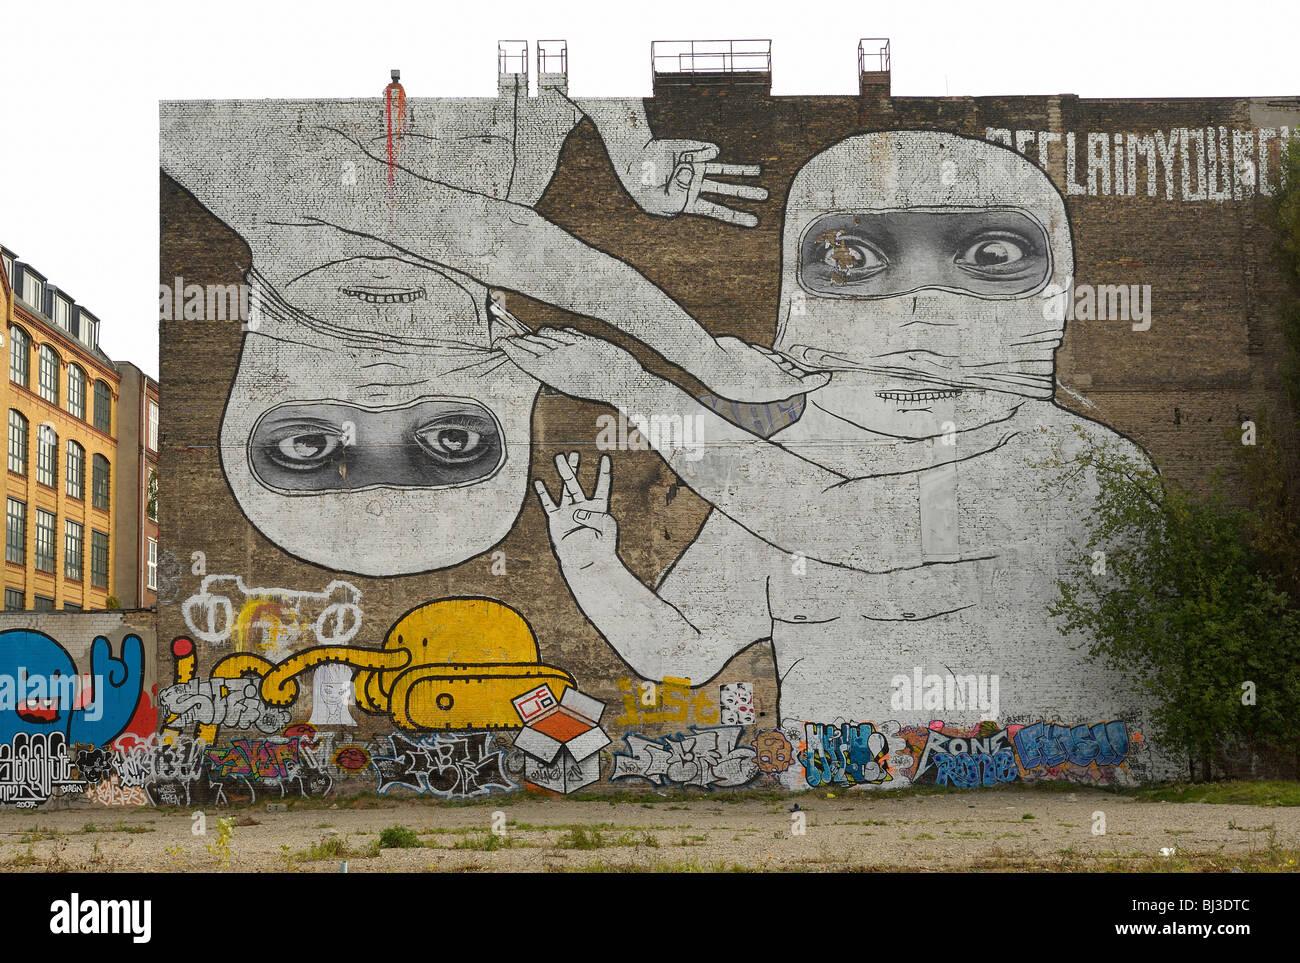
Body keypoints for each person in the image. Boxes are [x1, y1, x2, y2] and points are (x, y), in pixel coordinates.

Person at [511, 131, 1155, 763]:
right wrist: (590, 559)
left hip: (1039, 794)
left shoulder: (1073, 461)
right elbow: (681, 650)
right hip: (833, 814)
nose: (919, 306)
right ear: (795, 293)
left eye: (992, 256)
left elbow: (851, 525)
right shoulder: (784, 468)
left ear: (1055, 294)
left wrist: (630, 387)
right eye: (853, 259)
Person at [159, 92, 825, 575]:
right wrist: (628, 138)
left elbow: (502, 244)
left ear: (250, 403)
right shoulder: (518, 176)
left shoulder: (213, 154)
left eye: (308, 443)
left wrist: (709, 362)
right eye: (452, 439)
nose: (382, 396)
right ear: (516, 388)